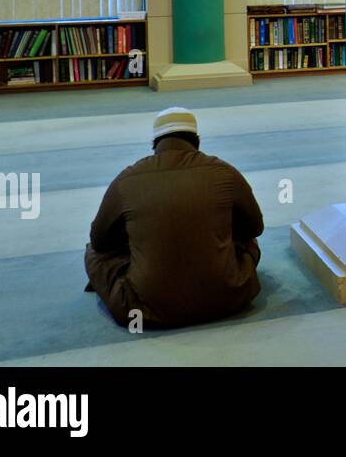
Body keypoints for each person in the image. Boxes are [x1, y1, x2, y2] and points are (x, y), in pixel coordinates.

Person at [85, 107, 264, 329]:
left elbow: (100, 241)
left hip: (142, 309)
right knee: (247, 242)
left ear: (155, 142)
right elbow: (254, 228)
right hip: (229, 298)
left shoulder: (127, 179)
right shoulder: (225, 172)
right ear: (196, 140)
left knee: (93, 253)